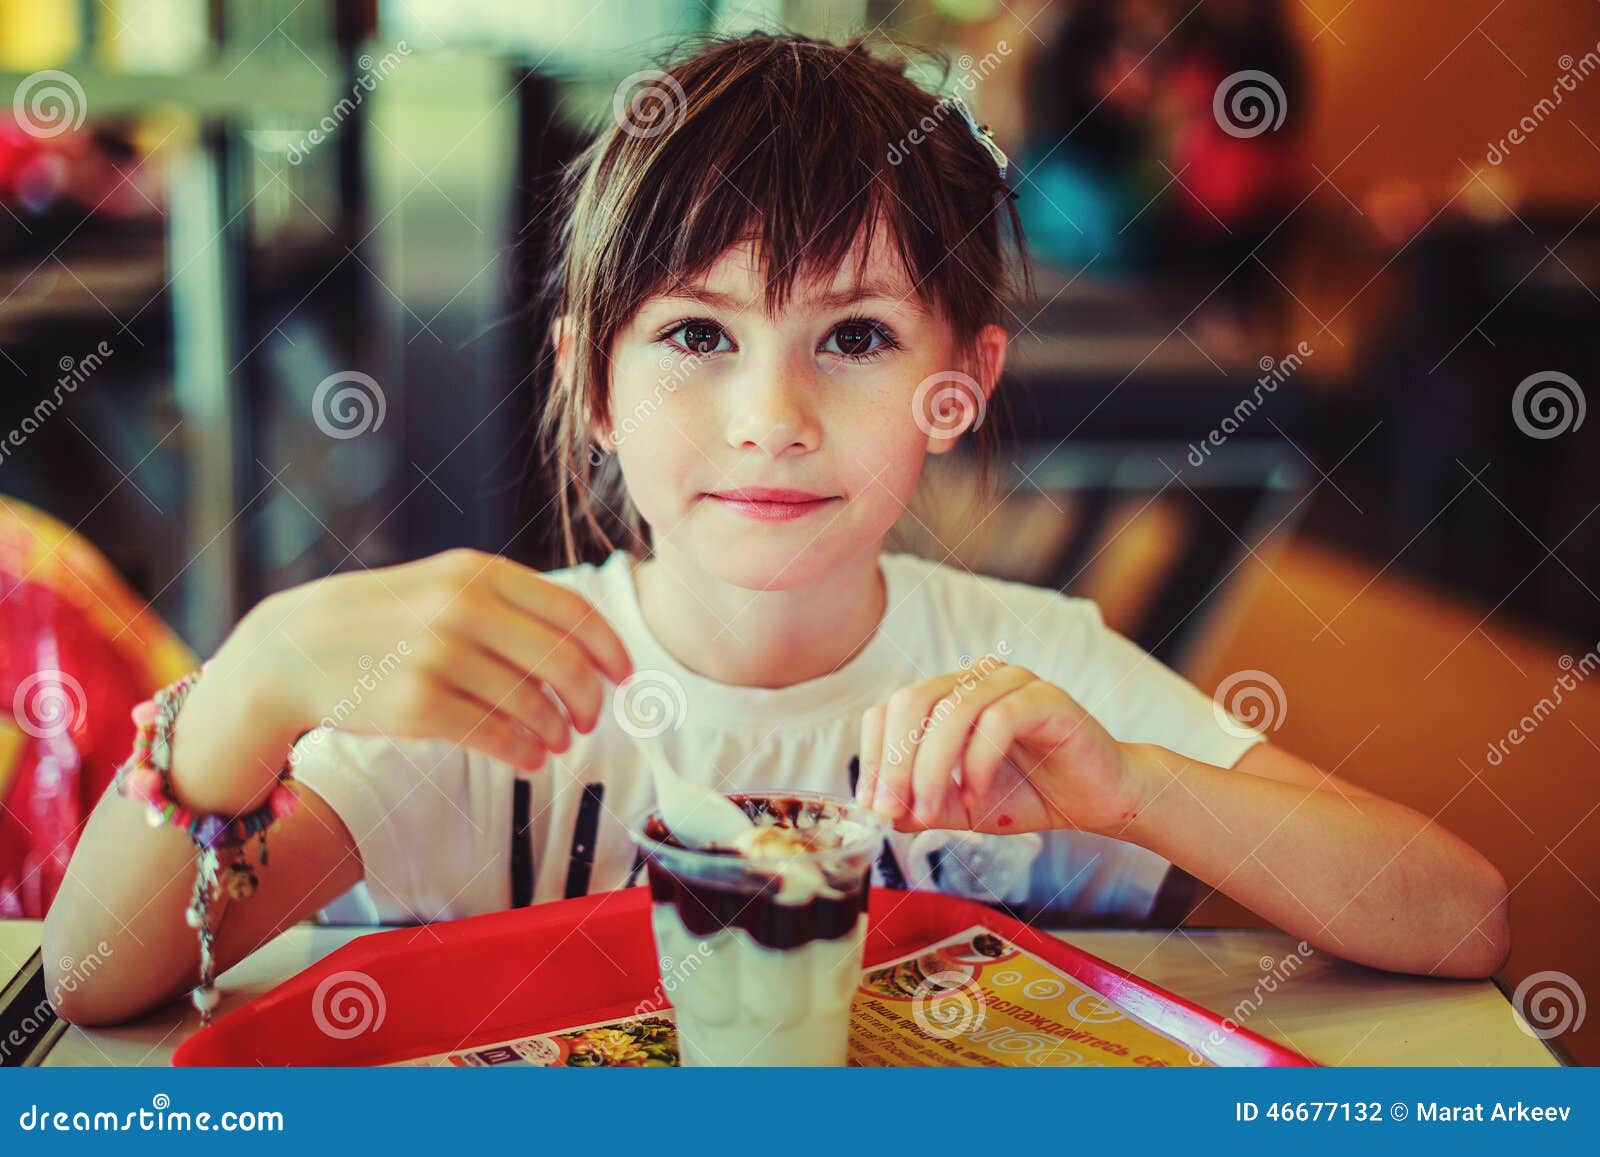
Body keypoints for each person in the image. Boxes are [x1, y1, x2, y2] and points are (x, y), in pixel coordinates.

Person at [43, 32, 1509, 1028]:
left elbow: (1461, 920)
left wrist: (1131, 787)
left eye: (857, 335)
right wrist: (253, 683)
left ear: (959, 384)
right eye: (694, 334)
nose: (772, 413)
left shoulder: (1028, 674)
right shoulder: (491, 682)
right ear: (590, 386)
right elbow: (95, 977)